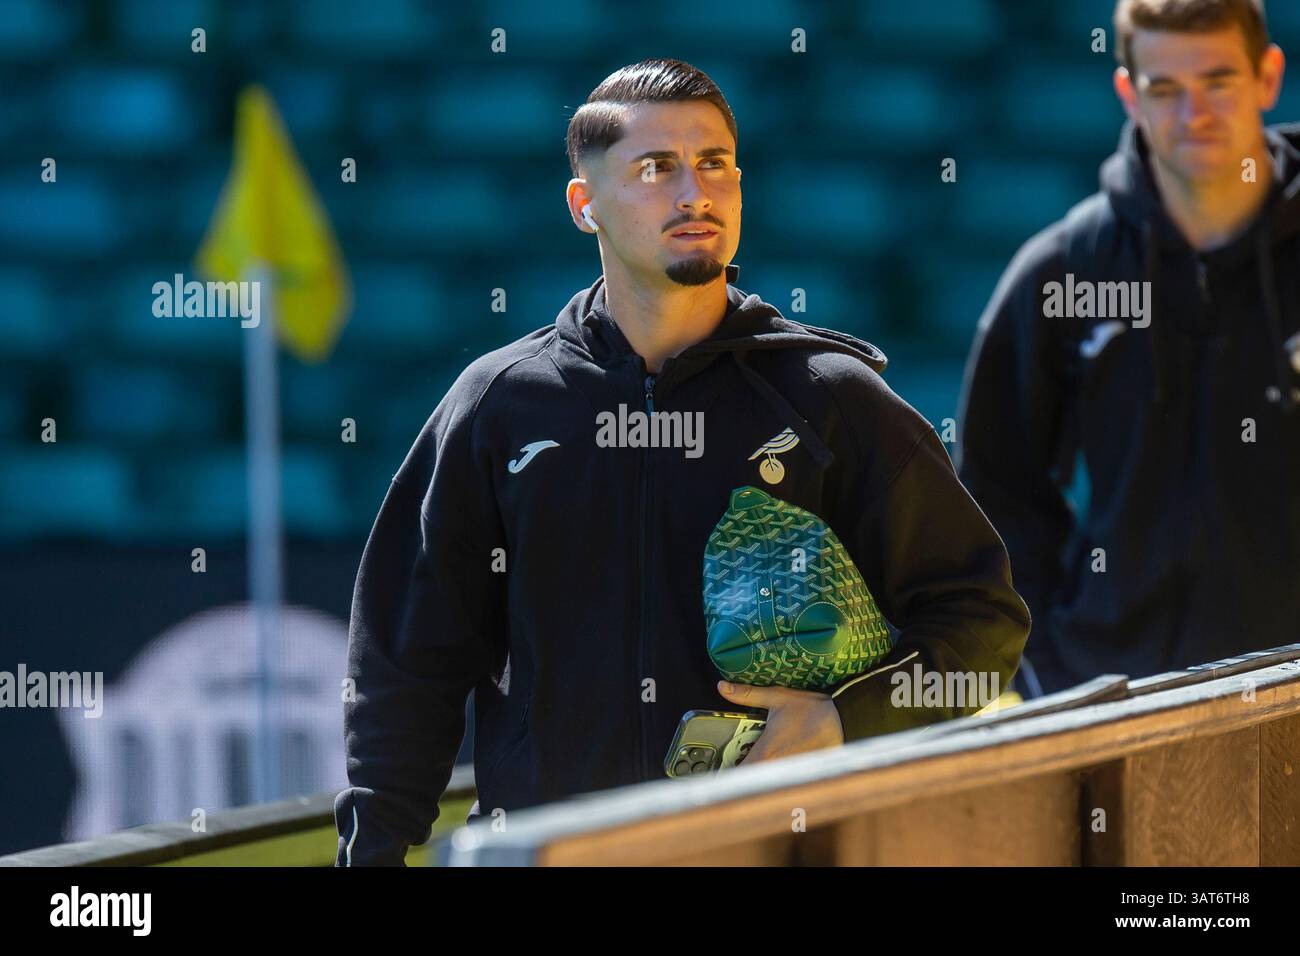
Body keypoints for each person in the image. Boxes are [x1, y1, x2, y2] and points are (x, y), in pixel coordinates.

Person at [335, 57, 1029, 866]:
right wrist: (374, 850)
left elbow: (982, 622)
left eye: (713, 164)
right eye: (655, 168)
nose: (694, 192)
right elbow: (405, 663)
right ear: (583, 205)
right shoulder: (499, 406)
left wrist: (847, 720)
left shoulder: (829, 398)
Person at [957, 0, 1299, 699]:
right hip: (1117, 705)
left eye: (1218, 81)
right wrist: (1051, 668)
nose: (1192, 114)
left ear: (1268, 77)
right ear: (1127, 92)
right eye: (1164, 89)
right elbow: (994, 492)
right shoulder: (1064, 270)